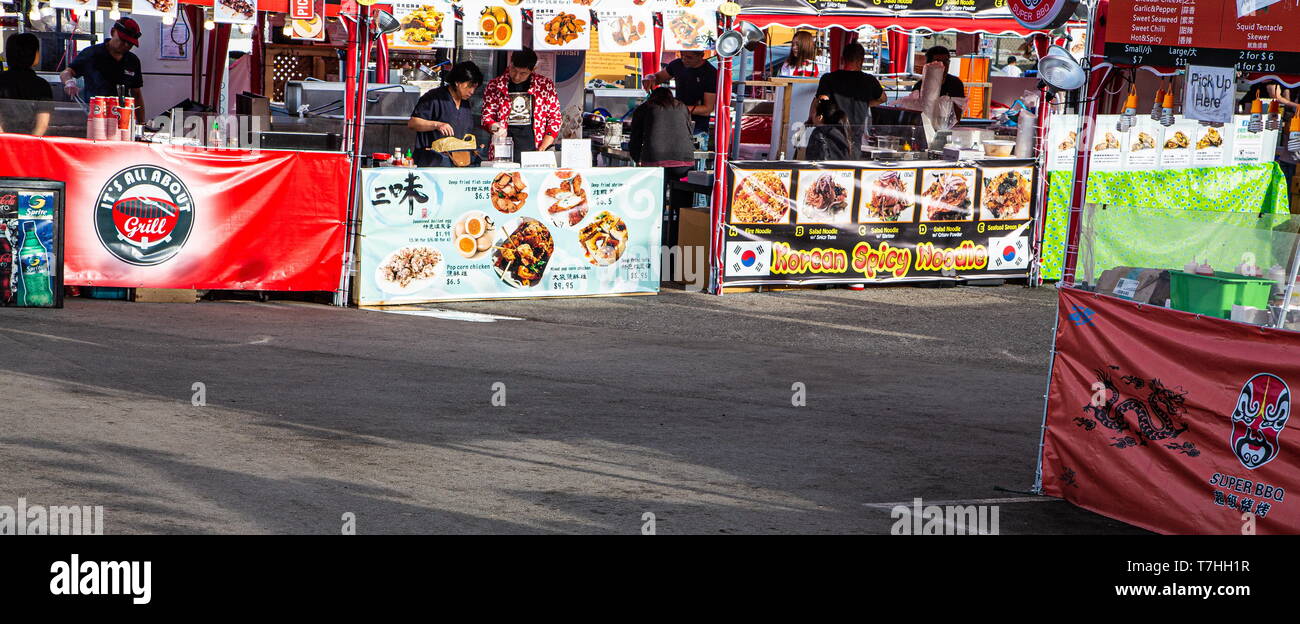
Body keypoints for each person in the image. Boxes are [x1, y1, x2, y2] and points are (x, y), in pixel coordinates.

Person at [481, 47, 562, 161]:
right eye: (514, 70)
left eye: (523, 73)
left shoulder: (544, 86)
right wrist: (495, 128)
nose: (516, 76)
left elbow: (555, 119)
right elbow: (486, 118)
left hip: (535, 149)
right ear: (510, 62)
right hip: (502, 150)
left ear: (533, 69)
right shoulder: (495, 85)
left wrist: (544, 147)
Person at [61, 18, 145, 123]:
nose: (126, 45)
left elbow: (136, 93)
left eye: (130, 43)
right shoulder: (91, 54)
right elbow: (66, 72)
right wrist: (69, 82)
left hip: (122, 119)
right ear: (113, 32)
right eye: (123, 40)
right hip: (95, 116)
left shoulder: (133, 61)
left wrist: (141, 124)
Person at [811, 43, 885, 158]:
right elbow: (882, 98)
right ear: (862, 60)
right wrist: (865, 103)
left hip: (831, 140)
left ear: (842, 59)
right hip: (853, 144)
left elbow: (822, 102)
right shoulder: (869, 81)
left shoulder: (829, 78)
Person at [407, 61, 483, 167]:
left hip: (459, 162)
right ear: (457, 82)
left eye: (475, 87)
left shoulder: (465, 104)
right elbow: (413, 123)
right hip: (433, 162)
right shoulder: (433, 97)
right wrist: (437, 125)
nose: (472, 91)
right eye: (470, 86)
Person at [629, 87, 696, 201]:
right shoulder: (682, 106)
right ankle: (681, 217)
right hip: (684, 161)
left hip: (655, 160)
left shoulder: (645, 107)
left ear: (652, 97)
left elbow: (636, 137)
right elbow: (690, 132)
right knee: (682, 201)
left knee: (655, 199)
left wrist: (636, 158)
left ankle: (659, 215)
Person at [1241, 79, 1298, 187]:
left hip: (1292, 157)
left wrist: (1284, 101)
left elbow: (1286, 99)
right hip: (1258, 112)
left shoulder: (1287, 82)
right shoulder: (1266, 82)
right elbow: (1275, 96)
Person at [644, 50, 717, 134]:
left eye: (689, 57)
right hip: (675, 121)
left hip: (696, 126)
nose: (684, 59)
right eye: (682, 55)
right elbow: (657, 78)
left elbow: (707, 109)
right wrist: (649, 77)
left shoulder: (710, 73)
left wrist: (676, 108)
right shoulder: (677, 64)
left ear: (701, 55)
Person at [0, 33, 54, 136]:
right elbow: (42, 125)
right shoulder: (42, 85)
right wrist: (29, 145)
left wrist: (5, 142)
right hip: (29, 146)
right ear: (34, 54)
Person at [912, 46, 966, 122]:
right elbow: (915, 114)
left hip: (948, 127)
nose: (943, 65)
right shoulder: (920, 85)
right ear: (929, 64)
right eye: (938, 61)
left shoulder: (955, 83)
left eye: (946, 62)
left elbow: (957, 114)